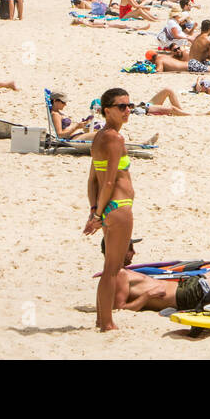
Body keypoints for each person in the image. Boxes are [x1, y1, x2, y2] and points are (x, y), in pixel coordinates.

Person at [83, 88, 137, 332]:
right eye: (122, 107)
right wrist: (96, 215)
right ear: (107, 110)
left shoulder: (99, 136)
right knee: (112, 270)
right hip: (119, 207)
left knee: (110, 268)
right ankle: (106, 323)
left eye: (130, 106)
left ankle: (100, 319)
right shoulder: (115, 139)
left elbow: (92, 180)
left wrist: (95, 209)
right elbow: (107, 181)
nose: (127, 111)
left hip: (108, 208)